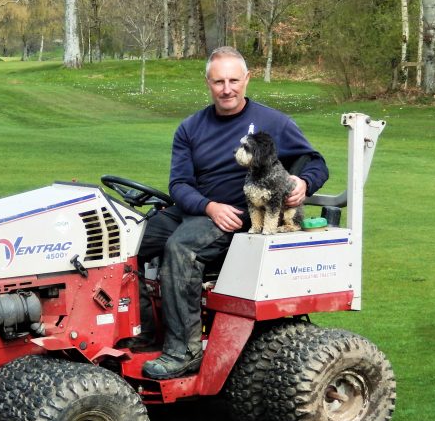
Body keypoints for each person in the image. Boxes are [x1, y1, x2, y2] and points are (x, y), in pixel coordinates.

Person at [137, 46, 329, 380]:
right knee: (124, 244)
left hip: (241, 216)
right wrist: (208, 206)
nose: (227, 89)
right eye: (219, 81)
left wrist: (303, 183)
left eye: (234, 80)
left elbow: (316, 162)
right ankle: (143, 330)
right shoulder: (190, 127)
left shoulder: (274, 122)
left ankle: (183, 352)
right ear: (208, 83)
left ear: (247, 80)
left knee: (182, 248)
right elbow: (179, 183)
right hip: (197, 209)